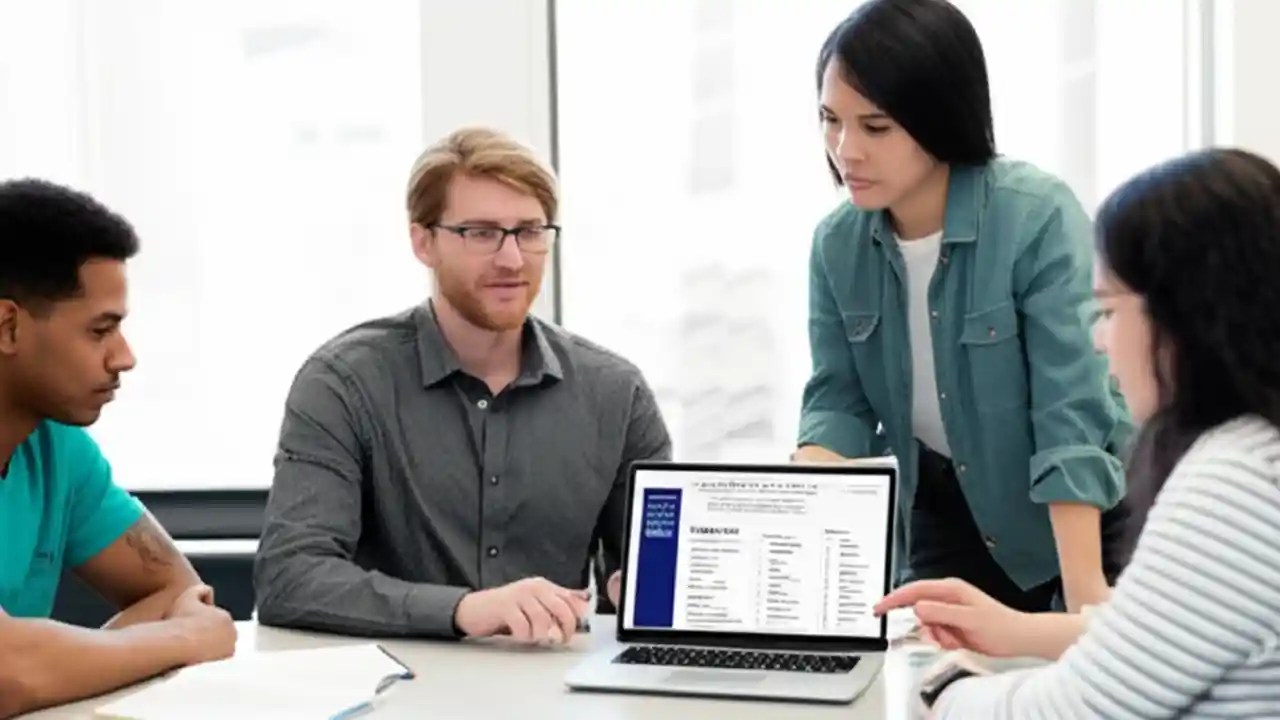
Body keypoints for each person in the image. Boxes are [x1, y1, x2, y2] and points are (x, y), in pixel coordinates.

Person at [877, 147, 1280, 717]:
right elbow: (1151, 639)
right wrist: (1016, 631)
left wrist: (939, 689)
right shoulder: (1259, 453)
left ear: (1187, 313)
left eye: (1110, 311)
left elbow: (1071, 711)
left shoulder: (1237, 483)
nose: (1098, 340)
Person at [254, 127, 672, 645]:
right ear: (422, 241)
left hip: (552, 693)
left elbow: (646, 572)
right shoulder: (343, 383)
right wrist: (463, 610)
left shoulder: (616, 393)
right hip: (395, 692)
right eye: (480, 232)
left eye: (530, 231)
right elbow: (290, 577)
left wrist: (638, 587)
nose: (512, 259)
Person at [795, 0, 1132, 613]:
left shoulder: (1036, 215)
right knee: (941, 686)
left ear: (940, 118)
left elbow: (1070, 414)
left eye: (876, 127)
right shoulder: (836, 244)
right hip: (948, 508)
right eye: (829, 120)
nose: (845, 150)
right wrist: (800, 509)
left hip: (1086, 511)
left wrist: (1085, 594)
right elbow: (838, 402)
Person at [0, 179, 236, 718]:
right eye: (99, 330)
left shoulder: (60, 449)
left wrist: (49, 667)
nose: (124, 358)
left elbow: (180, 596)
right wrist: (183, 643)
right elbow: (7, 674)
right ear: (8, 326)